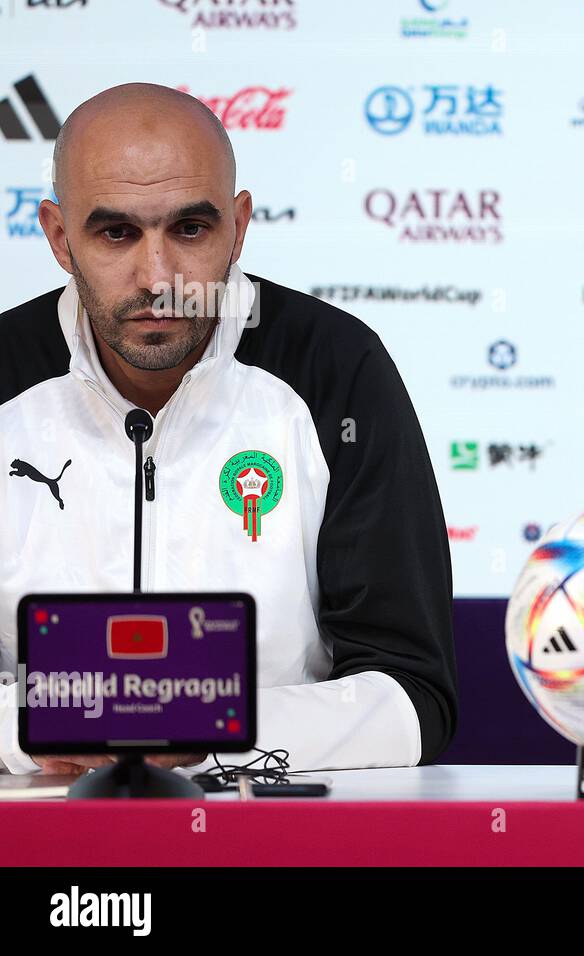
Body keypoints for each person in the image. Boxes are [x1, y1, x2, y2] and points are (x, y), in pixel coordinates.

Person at [0, 83, 457, 775]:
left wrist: (212, 728)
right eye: (117, 232)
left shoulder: (338, 368)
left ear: (239, 227)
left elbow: (414, 699)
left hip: (273, 842)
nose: (159, 278)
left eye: (189, 229)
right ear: (61, 238)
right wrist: (39, 727)